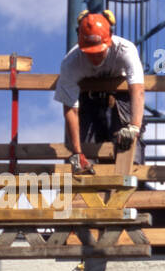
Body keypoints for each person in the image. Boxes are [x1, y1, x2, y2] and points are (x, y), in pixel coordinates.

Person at [54, 9, 146, 175]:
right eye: (90, 53)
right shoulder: (71, 62)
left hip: (122, 98)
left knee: (131, 151)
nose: (95, 58)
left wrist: (134, 126)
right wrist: (76, 152)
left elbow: (137, 90)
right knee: (85, 153)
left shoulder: (125, 50)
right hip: (88, 99)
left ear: (109, 40)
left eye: (99, 52)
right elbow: (70, 109)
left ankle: (133, 182)